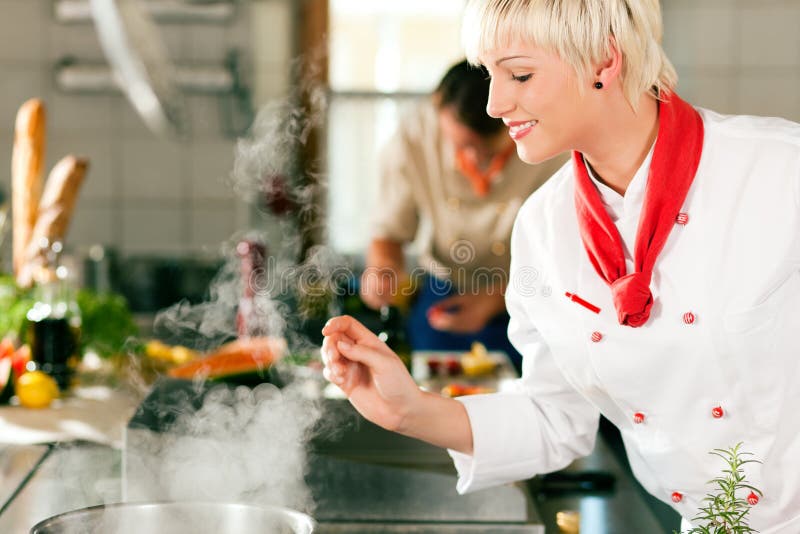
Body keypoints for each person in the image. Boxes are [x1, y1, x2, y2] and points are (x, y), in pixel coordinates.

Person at [323, 0, 800, 532]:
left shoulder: (780, 171)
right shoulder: (545, 230)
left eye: (519, 74)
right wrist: (409, 410)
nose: (495, 104)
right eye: (489, 75)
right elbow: (555, 419)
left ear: (603, 61)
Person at [360, 59, 566, 371]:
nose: (472, 159)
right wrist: (383, 268)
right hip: (442, 295)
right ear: (437, 106)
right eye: (462, 145)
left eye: (487, 151)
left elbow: (566, 257)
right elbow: (389, 229)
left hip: (529, 297)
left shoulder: (554, 142)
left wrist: (497, 298)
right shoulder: (415, 135)